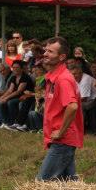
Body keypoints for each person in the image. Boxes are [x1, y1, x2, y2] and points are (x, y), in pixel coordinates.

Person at [37, 36, 84, 181]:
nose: (45, 54)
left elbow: (72, 106)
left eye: (50, 52)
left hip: (63, 140)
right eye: (46, 50)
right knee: (68, 187)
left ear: (62, 56)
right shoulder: (52, 76)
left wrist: (61, 131)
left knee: (41, 184)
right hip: (61, 140)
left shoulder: (63, 78)